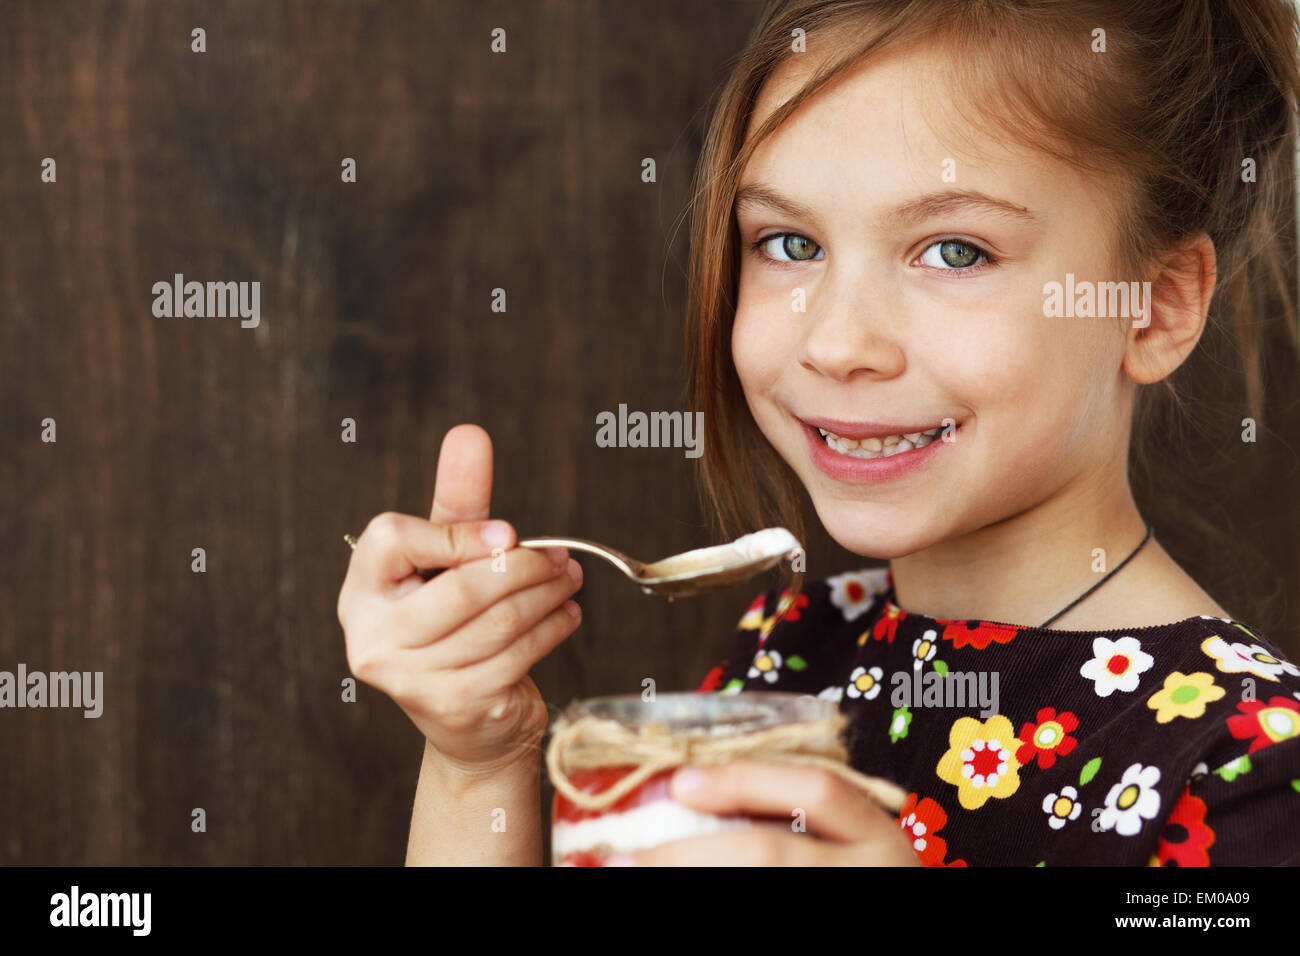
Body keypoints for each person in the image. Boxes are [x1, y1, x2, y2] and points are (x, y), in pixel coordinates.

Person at [336, 0, 1300, 865]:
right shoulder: (795, 648)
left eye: (954, 251)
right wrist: (480, 756)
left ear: (1155, 307)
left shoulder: (1245, 772)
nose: (837, 344)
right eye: (789, 244)